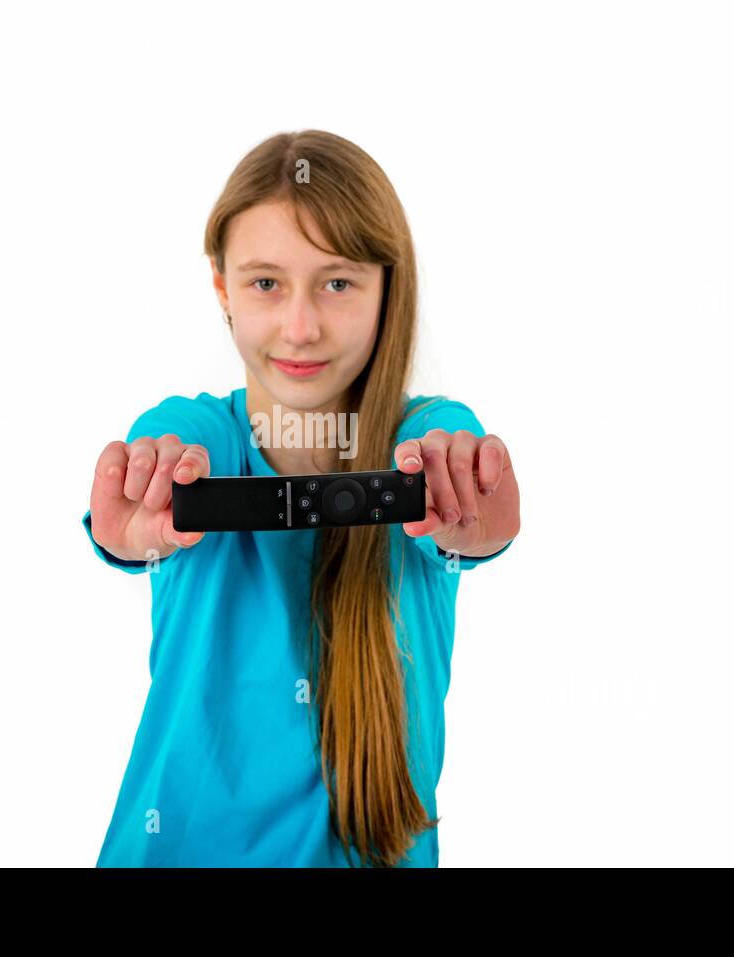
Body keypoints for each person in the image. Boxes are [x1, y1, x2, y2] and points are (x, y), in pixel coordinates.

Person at [82, 130, 521, 867]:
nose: (300, 326)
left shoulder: (426, 438)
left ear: (389, 287)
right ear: (222, 288)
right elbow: (154, 457)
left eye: (338, 283)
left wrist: (472, 499)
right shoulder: (200, 435)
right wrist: (133, 514)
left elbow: (466, 480)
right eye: (265, 283)